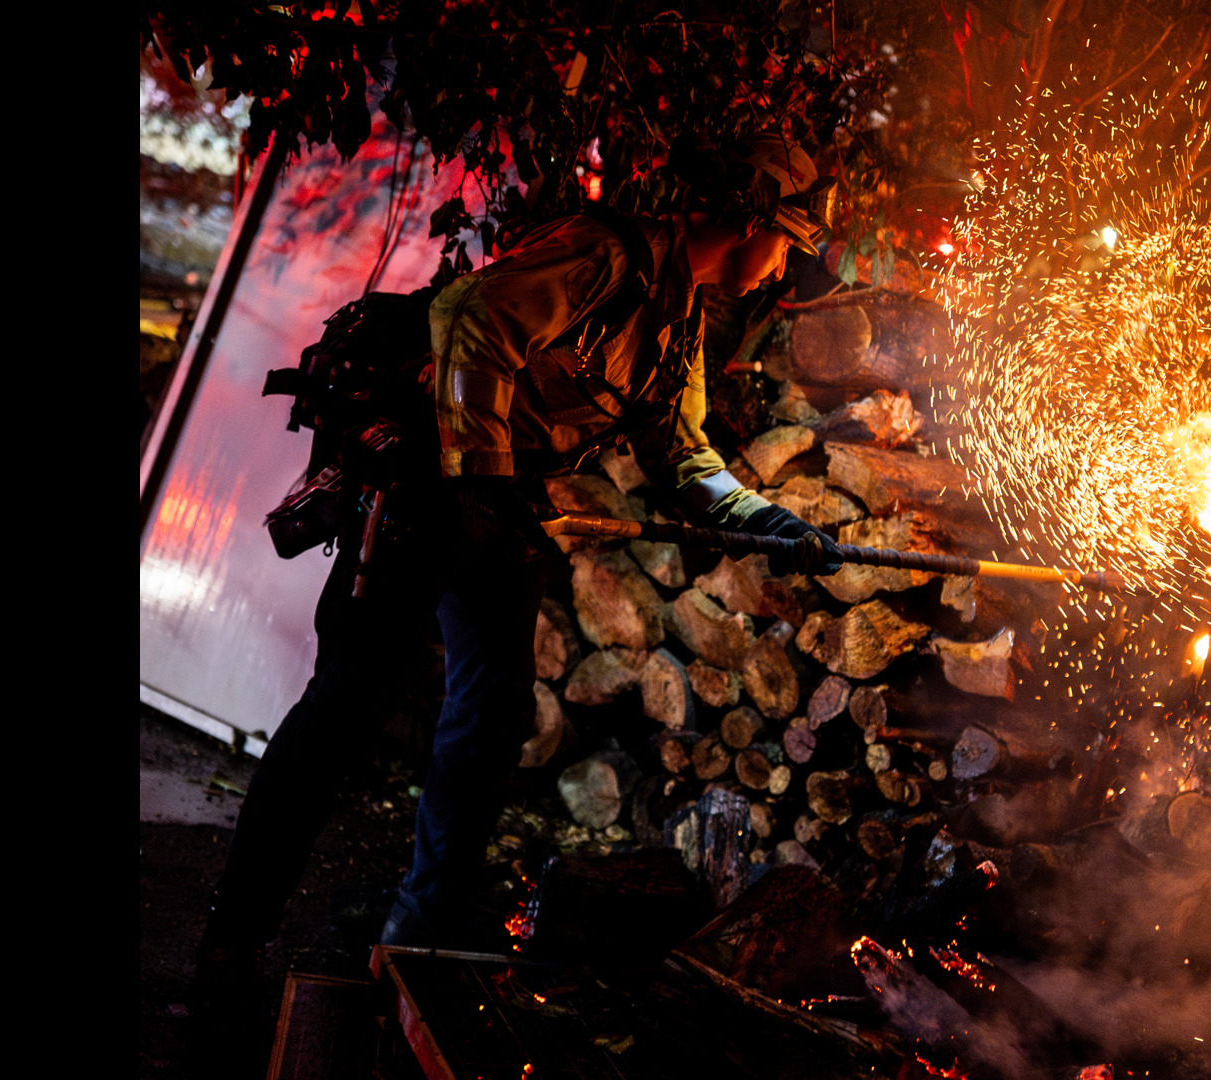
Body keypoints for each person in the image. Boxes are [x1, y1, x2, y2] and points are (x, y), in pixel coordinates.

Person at [188, 133, 846, 1033]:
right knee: (346, 705)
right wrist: (480, 477)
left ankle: (421, 937)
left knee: (493, 711)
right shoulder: (603, 255)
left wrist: (764, 520)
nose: (780, 267)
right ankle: (230, 943)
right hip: (429, 478)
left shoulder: (675, 316)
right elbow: (474, 314)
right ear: (750, 220)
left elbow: (681, 450)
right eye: (784, 244)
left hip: (491, 498)